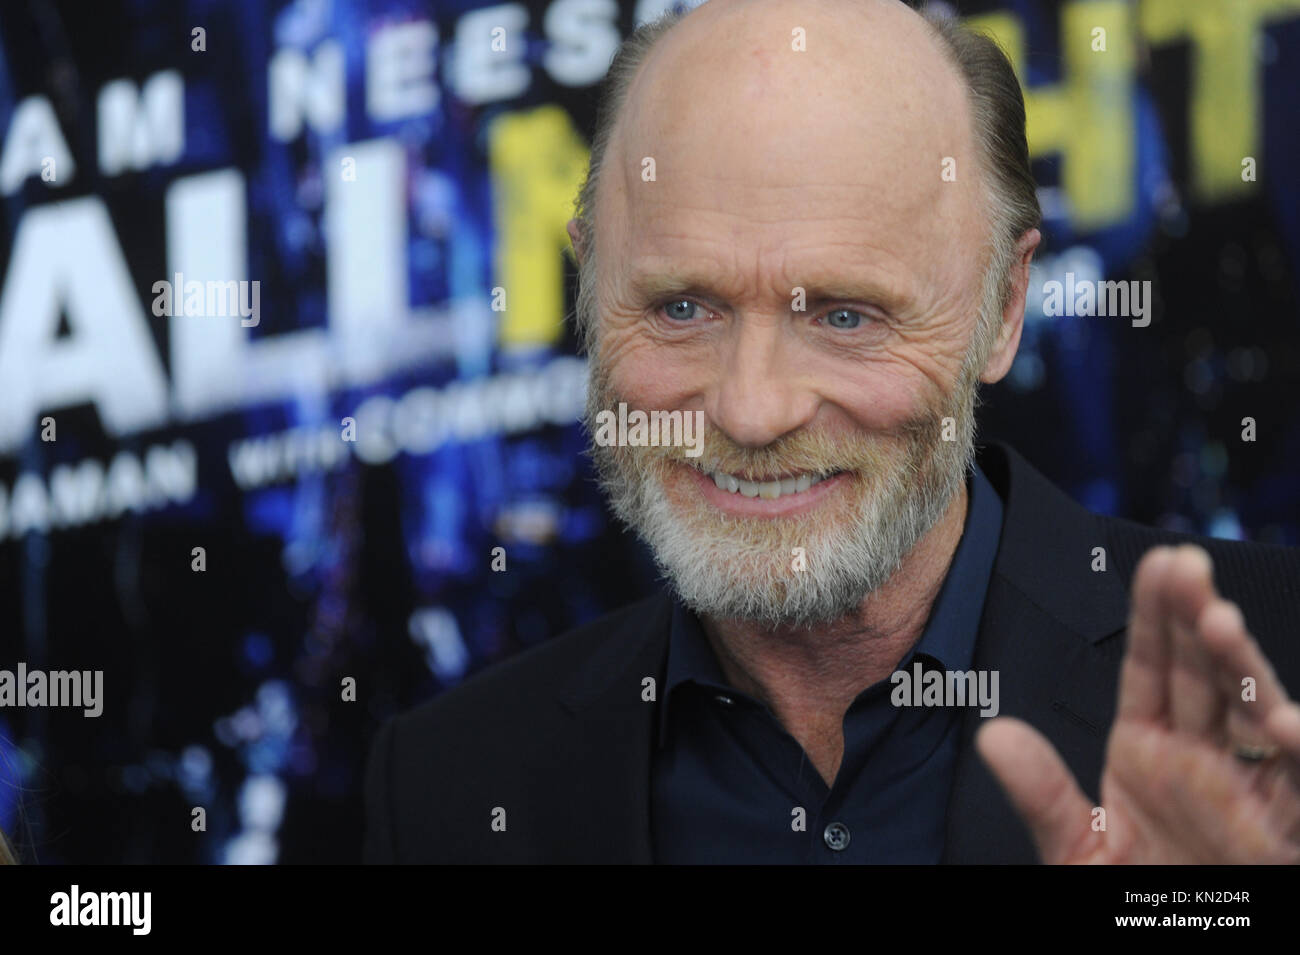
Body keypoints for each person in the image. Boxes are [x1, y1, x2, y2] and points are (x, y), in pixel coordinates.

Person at [363, 0, 1300, 863]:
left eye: (846, 317)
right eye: (683, 306)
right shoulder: (449, 785)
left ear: (1002, 309)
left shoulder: (1279, 668)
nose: (752, 410)